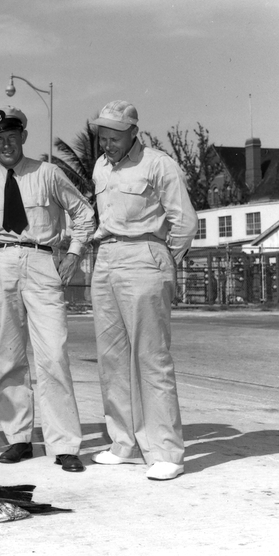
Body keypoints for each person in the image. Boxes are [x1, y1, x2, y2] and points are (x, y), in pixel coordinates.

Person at [0, 106, 95, 471]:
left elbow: (84, 213)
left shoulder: (47, 173)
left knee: (53, 354)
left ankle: (64, 445)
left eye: (12, 137)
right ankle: (18, 438)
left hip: (41, 261)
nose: (6, 144)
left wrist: (75, 254)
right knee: (8, 357)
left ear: (23, 137)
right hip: (1, 264)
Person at [88, 100, 197, 481]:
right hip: (106, 258)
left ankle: (166, 451)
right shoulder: (101, 166)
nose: (108, 143)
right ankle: (124, 443)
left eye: (114, 135)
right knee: (112, 357)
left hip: (145, 256)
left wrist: (165, 260)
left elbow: (185, 221)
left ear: (133, 132)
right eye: (103, 135)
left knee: (151, 357)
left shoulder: (158, 164)